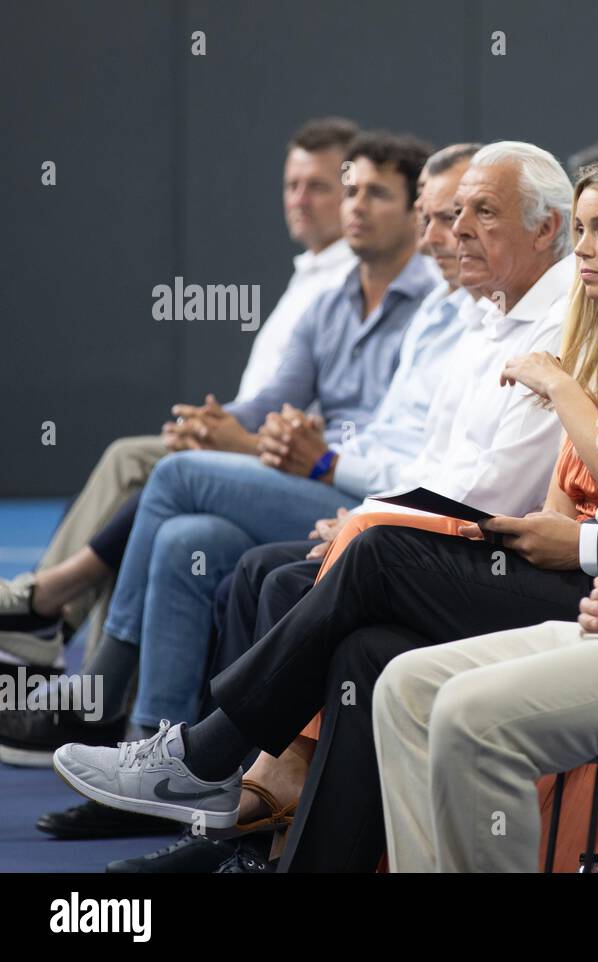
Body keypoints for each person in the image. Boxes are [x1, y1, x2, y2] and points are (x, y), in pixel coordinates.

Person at [90, 120, 598, 874]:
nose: (451, 234)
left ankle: (206, 757)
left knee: (350, 549)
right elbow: (597, 484)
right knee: (354, 640)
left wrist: (569, 500)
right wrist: (557, 521)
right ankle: (266, 837)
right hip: (580, 560)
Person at [0, 131, 439, 757]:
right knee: (186, 538)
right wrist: (212, 422)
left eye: (376, 194)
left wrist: (304, 452)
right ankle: (156, 747)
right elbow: (269, 399)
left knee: (176, 475)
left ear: (414, 211)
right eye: (349, 192)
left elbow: (400, 444)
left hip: (356, 486)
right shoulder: (329, 300)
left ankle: (87, 671)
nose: (355, 207)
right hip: (311, 470)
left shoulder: (436, 308)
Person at [0, 117, 359, 669]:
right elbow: (269, 394)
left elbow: (310, 413)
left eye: (319, 187)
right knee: (147, 495)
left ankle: (50, 613)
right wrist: (209, 423)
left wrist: (230, 436)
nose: (300, 200)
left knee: (142, 469)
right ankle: (69, 651)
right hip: (258, 445)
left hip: (298, 463)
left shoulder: (351, 284)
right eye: (292, 185)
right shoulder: (311, 275)